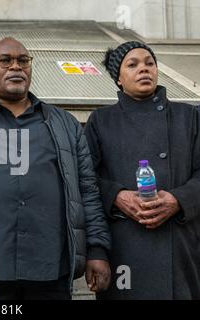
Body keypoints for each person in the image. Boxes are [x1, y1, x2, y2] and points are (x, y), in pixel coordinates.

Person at [0, 37, 111, 300]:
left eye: (23, 60)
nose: (16, 66)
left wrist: (97, 250)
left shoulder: (66, 125)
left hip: (51, 269)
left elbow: (87, 192)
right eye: (5, 60)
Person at [84, 41, 200, 299]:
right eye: (133, 64)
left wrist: (177, 200)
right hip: (124, 248)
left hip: (181, 247)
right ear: (118, 79)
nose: (144, 69)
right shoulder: (101, 121)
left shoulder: (189, 117)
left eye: (150, 63)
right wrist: (117, 196)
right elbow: (84, 180)